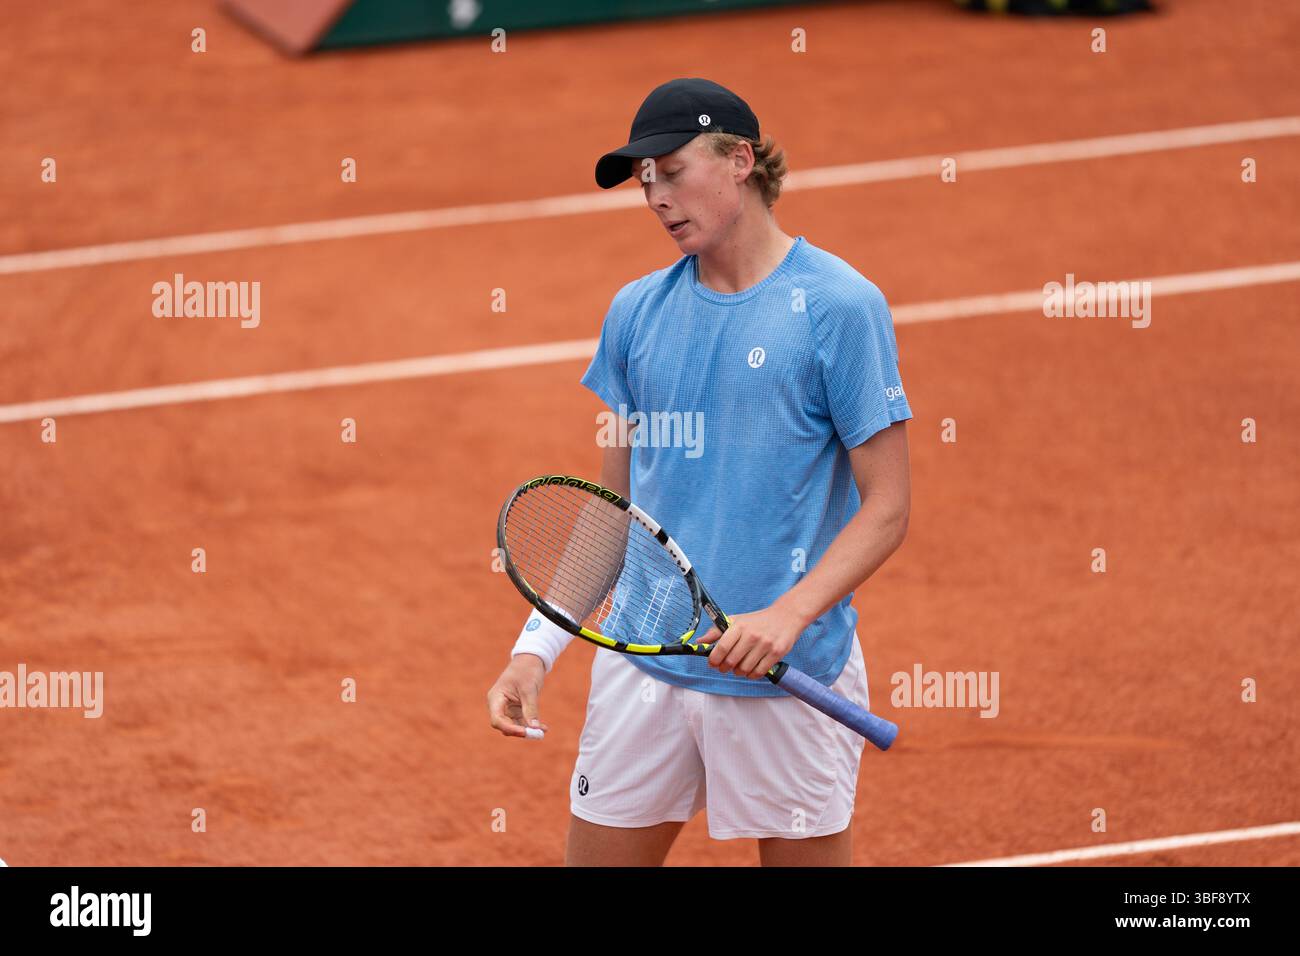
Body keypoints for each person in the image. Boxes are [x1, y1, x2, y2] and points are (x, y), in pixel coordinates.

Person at [487, 78, 912, 866]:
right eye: (644, 180)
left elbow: (887, 507)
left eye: (672, 170)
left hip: (788, 674)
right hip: (647, 669)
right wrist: (532, 651)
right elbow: (610, 510)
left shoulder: (840, 309)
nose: (655, 195)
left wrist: (786, 616)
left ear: (740, 159)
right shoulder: (635, 314)